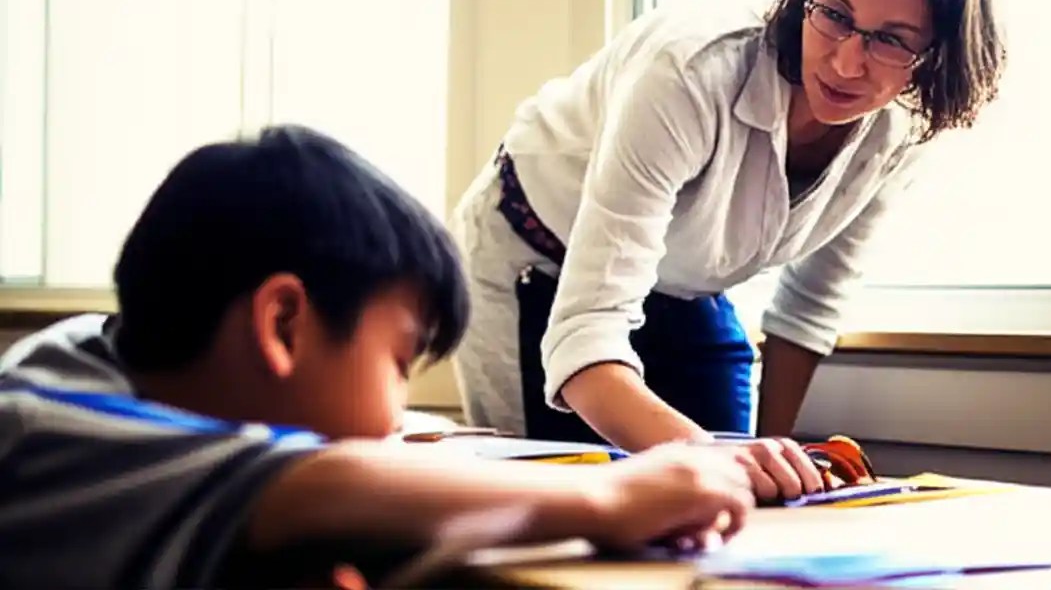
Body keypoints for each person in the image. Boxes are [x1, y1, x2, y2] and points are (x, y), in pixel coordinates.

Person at [0, 126, 753, 589]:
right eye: (399, 362)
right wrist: (612, 500)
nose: (396, 412)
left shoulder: (90, 358)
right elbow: (312, 483)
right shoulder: (38, 426)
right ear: (284, 324)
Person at [448, 0, 1005, 502]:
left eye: (892, 39)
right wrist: (715, 467)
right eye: (836, 15)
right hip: (533, 258)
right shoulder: (689, 72)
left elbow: (808, 307)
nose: (847, 63)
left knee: (743, 508)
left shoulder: (903, 127)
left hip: (683, 286)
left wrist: (779, 473)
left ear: (939, 52)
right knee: (552, 512)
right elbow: (586, 328)